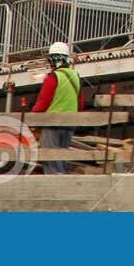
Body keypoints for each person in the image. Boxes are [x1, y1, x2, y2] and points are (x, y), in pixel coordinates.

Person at [31, 41, 83, 174]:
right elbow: (80, 103)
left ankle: (54, 188)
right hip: (69, 124)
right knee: (62, 158)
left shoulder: (53, 77)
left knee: (51, 160)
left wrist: (31, 119)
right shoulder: (75, 76)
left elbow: (43, 102)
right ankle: (63, 185)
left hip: (52, 124)